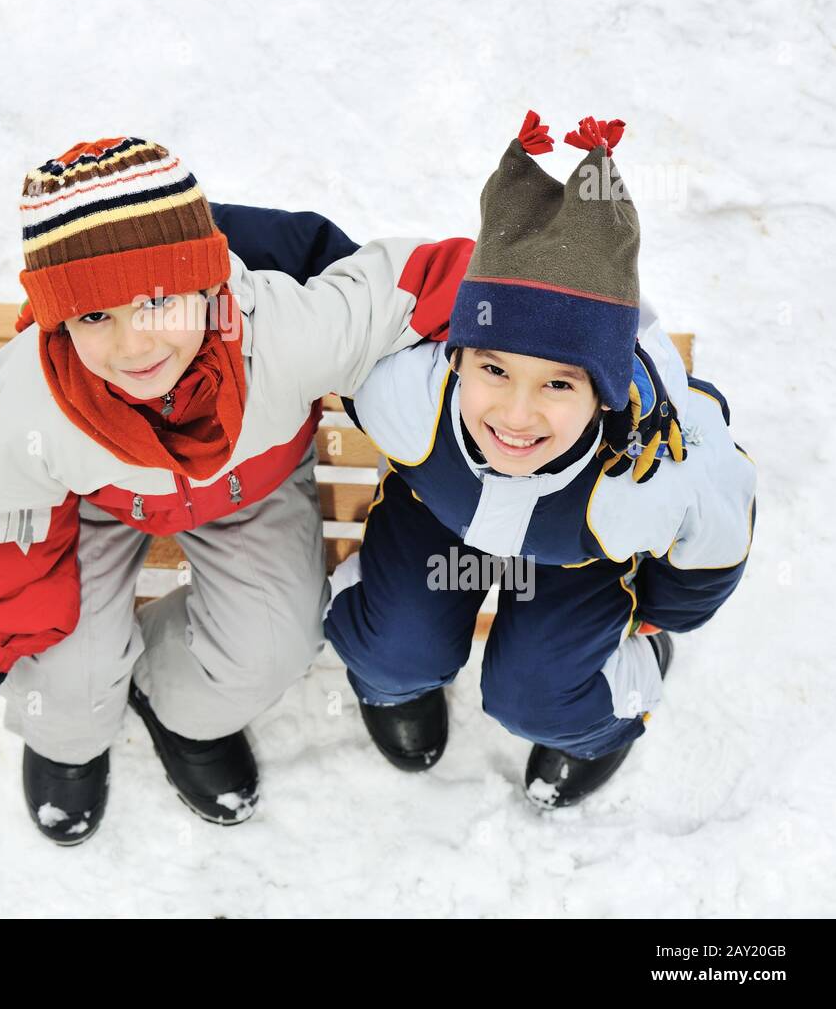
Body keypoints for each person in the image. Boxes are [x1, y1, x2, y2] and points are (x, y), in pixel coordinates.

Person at [0, 135, 468, 843]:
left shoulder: (283, 331)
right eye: (94, 316)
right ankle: (69, 741)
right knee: (65, 680)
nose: (134, 346)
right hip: (97, 502)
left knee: (272, 645)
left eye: (158, 301)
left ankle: (181, 710)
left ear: (205, 283)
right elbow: (17, 526)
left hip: (248, 485)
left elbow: (419, 282)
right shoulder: (39, 396)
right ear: (60, 319)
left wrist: (559, 327)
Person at [317, 111, 758, 808]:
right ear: (457, 357)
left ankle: (596, 722)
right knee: (393, 646)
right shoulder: (405, 394)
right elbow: (327, 323)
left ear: (605, 394)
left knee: (535, 695)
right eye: (493, 372)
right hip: (441, 519)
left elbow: (716, 544)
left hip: (578, 555)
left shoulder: (653, 478)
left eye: (558, 383)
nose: (517, 416)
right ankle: (392, 683)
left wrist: (659, 614)